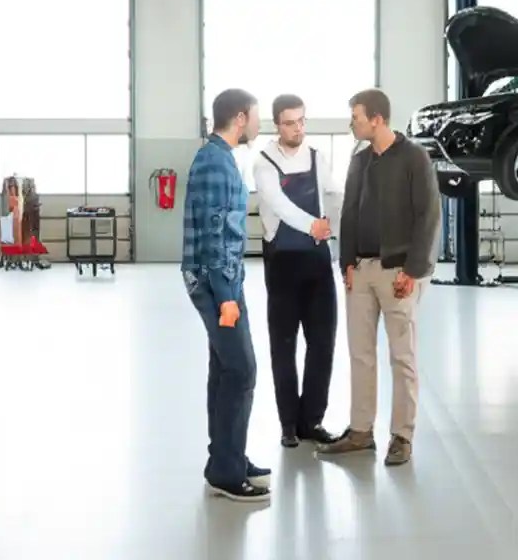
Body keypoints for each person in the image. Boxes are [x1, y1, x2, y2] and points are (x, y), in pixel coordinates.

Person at [319, 88, 441, 467]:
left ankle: (402, 436)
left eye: (356, 116)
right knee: (360, 354)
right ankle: (360, 431)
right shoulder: (358, 160)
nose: (352, 123)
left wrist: (413, 270)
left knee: (402, 357)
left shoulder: (414, 157)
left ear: (377, 118)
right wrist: (347, 262)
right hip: (362, 270)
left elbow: (428, 216)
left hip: (399, 272)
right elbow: (349, 213)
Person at [181, 88, 272, 503]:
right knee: (241, 371)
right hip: (218, 284)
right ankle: (226, 470)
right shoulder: (217, 163)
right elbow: (217, 238)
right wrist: (227, 297)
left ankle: (226, 458)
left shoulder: (219, 158)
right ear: (239, 118)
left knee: (224, 370)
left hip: (223, 280)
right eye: (255, 116)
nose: (257, 123)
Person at [252, 94, 342, 449]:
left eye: (302, 121)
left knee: (322, 344)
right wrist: (313, 225)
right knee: (284, 345)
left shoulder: (317, 158)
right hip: (283, 263)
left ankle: (312, 421)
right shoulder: (264, 162)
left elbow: (334, 194)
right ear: (277, 124)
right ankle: (288, 423)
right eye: (290, 123)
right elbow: (279, 204)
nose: (297, 128)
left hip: (318, 263)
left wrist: (330, 224)